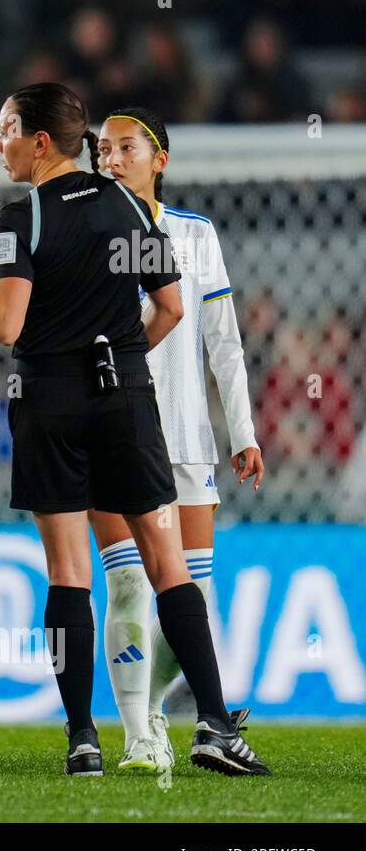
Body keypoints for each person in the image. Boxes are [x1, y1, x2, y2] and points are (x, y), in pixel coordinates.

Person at [0, 82, 269, 777]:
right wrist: (123, 356)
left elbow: (5, 327)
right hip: (126, 397)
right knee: (169, 565)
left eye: (7, 128)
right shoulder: (128, 204)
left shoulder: (23, 216)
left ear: (41, 142)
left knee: (71, 573)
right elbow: (170, 308)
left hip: (49, 399)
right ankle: (216, 725)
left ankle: (82, 738)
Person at [89, 107, 263, 769]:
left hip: (184, 437)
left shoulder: (194, 234)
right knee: (131, 586)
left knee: (193, 594)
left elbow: (223, 343)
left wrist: (242, 431)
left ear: (159, 158)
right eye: (102, 149)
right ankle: (141, 733)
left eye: (126, 147)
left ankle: (179, 720)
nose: (111, 158)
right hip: (110, 429)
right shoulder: (85, 230)